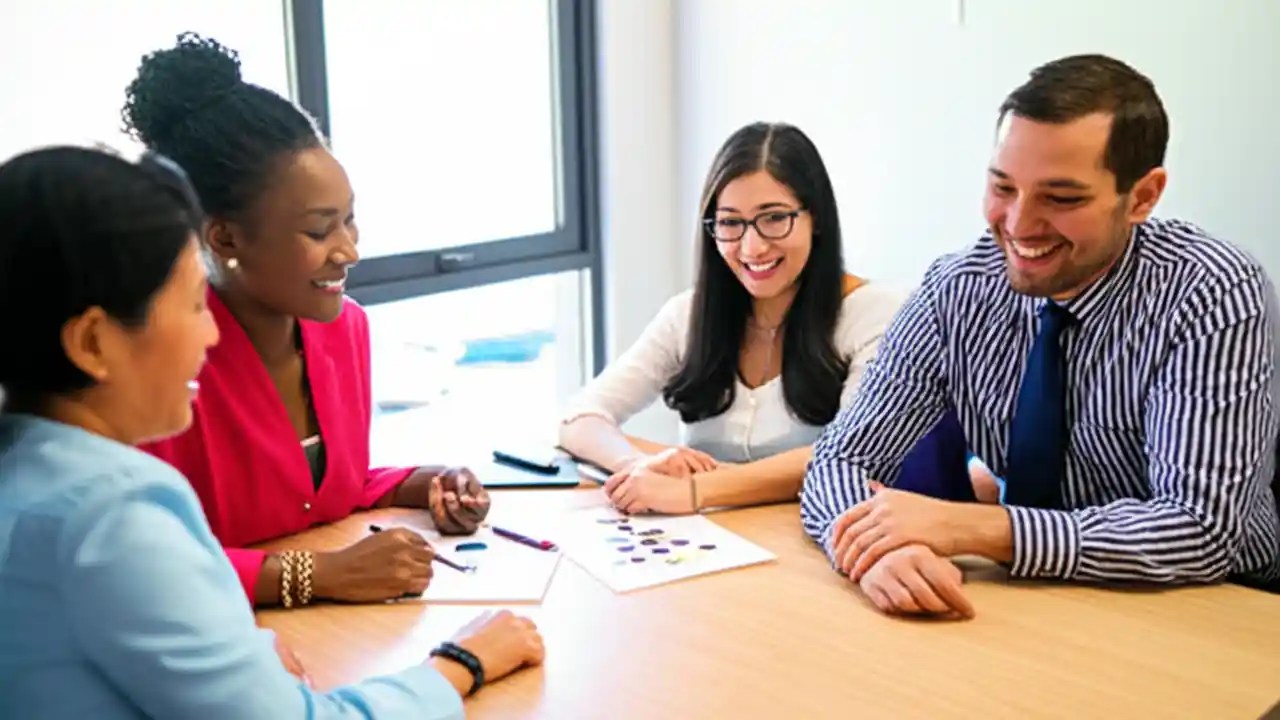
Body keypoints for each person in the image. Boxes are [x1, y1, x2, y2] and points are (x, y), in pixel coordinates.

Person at [0, 145, 543, 718]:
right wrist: (460, 664)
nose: (211, 335)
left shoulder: (28, 468)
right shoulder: (114, 514)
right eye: (191, 305)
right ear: (93, 343)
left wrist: (235, 648)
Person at [801, 53, 1280, 619]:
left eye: (1062, 198)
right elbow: (839, 460)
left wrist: (974, 525)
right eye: (1003, 187)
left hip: (1216, 603)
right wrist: (873, 551)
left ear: (1144, 196)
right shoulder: (957, 288)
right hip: (1032, 595)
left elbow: (1198, 529)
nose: (1019, 224)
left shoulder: (1212, 291)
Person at [122, 32, 489, 608]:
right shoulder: (154, 367)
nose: (348, 251)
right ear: (224, 236)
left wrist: (428, 481)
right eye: (319, 231)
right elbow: (138, 567)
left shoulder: (345, 330)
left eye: (349, 221)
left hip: (332, 644)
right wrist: (317, 575)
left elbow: (314, 494)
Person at [560, 121, 973, 515]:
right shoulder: (688, 314)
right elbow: (579, 419)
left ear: (816, 220)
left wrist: (696, 489)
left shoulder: (879, 313)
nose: (752, 246)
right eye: (730, 223)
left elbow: (848, 454)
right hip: (719, 547)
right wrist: (635, 463)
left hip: (823, 550)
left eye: (775, 218)